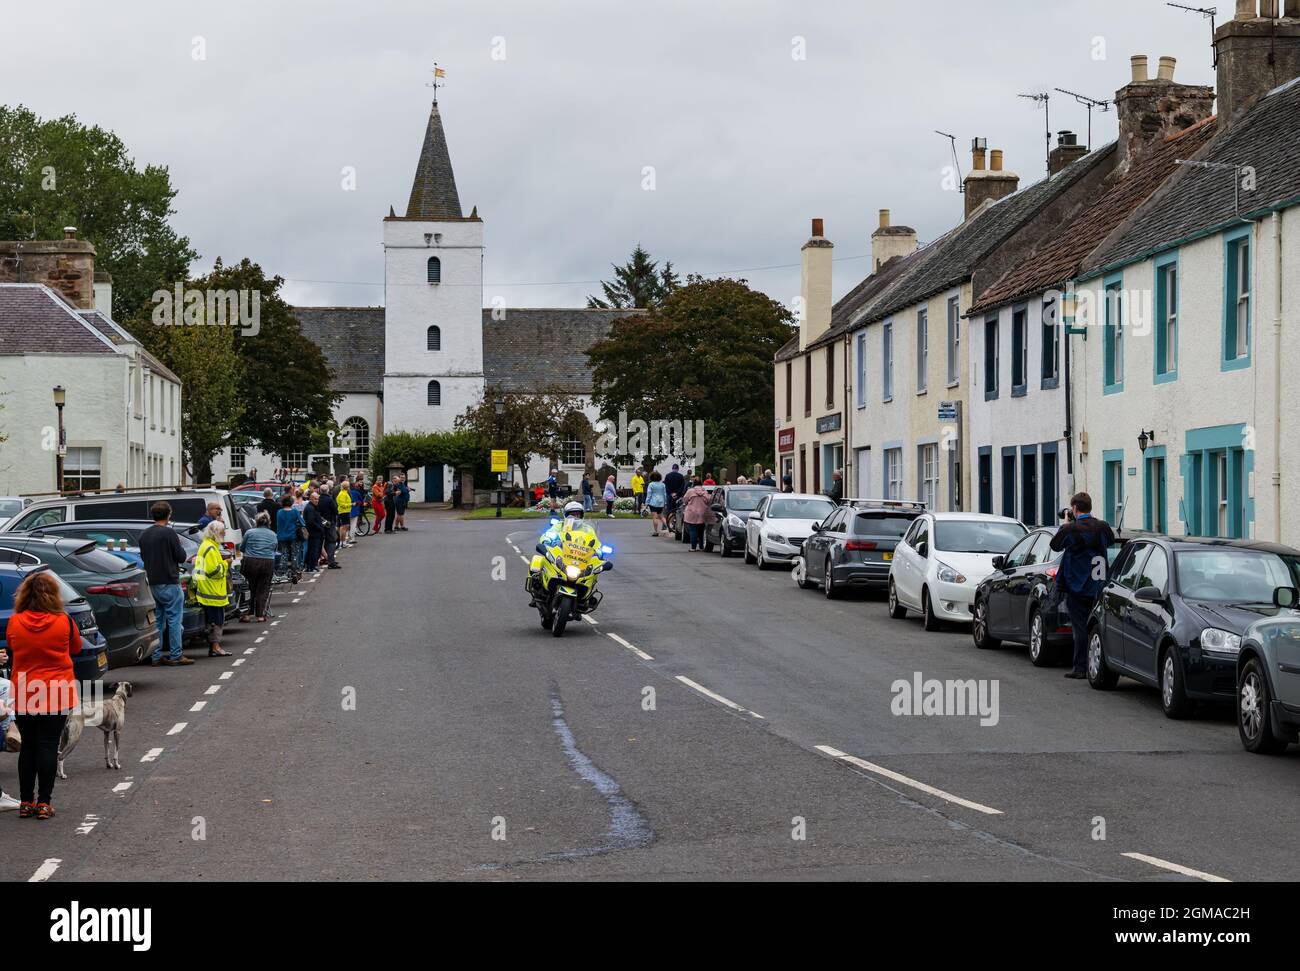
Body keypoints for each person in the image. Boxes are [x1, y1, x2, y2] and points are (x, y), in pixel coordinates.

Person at [8, 571, 81, 818]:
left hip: (25, 690)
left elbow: (12, 646)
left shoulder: (15, 621)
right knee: (48, 746)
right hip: (56, 690)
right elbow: (76, 647)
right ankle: (44, 802)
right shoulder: (64, 621)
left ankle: (26, 801)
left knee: (28, 746)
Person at [1049, 492, 1116, 680]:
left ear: (1075, 508)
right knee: (1097, 627)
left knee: (1079, 628)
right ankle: (1099, 665)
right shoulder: (1102, 527)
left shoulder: (1070, 530)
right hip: (1099, 586)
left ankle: (1080, 667)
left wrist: (1066, 525)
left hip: (1076, 585)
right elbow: (1110, 540)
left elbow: (1055, 545)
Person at [140, 501, 193, 667]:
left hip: (152, 582)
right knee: (174, 620)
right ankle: (176, 654)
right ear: (168, 515)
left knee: (158, 621)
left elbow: (143, 557)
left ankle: (155, 655)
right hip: (169, 580)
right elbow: (181, 557)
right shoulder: (169, 534)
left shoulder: (144, 535)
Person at [195, 521, 233, 657]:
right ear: (216, 533)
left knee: (213, 620)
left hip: (207, 589)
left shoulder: (207, 545)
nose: (224, 534)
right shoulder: (210, 548)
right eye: (222, 532)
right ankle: (215, 647)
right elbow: (214, 571)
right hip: (212, 591)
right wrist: (226, 563)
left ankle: (214, 647)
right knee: (216, 621)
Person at [240, 512, 278, 623]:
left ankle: (248, 613)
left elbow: (242, 547)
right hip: (267, 562)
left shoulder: (249, 532)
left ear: (256, 521)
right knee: (263, 588)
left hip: (250, 561)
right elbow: (274, 549)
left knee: (249, 587)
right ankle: (260, 615)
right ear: (269, 522)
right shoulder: (273, 534)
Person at [275, 494, 305, 582]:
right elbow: (302, 522)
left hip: (281, 536)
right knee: (294, 554)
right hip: (293, 535)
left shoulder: (279, 512)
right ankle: (294, 572)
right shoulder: (295, 511)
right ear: (291, 502)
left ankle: (282, 572)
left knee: (284, 554)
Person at [682, 477, 712, 551]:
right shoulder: (705, 492)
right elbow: (709, 501)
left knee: (693, 530)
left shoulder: (690, 491)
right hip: (703, 513)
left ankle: (693, 547)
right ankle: (701, 547)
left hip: (692, 513)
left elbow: (685, 500)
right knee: (701, 531)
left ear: (693, 483)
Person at [303, 490, 326, 571]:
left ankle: (312, 566)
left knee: (314, 549)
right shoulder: (310, 508)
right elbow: (311, 521)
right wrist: (320, 528)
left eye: (318, 499)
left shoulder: (313, 507)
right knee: (313, 550)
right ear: (311, 499)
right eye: (315, 499)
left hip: (316, 533)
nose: (317, 500)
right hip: (314, 533)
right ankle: (312, 566)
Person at [663, 463, 686, 532]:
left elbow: (666, 486)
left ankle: (668, 526)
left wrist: (671, 493)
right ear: (678, 469)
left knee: (669, 510)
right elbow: (682, 487)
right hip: (678, 496)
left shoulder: (667, 476)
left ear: (672, 468)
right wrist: (677, 493)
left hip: (670, 496)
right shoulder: (681, 476)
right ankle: (675, 524)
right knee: (677, 511)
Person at [645, 471, 668, 536]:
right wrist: (665, 502)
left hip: (653, 502)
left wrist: (646, 503)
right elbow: (665, 494)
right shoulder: (662, 484)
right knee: (661, 516)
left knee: (655, 517)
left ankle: (656, 531)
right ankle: (669, 528)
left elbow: (649, 494)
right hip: (661, 502)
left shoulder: (651, 484)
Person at [335, 479, 352, 548]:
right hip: (343, 512)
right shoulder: (342, 493)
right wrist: (350, 504)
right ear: (347, 487)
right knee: (344, 528)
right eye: (348, 486)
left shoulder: (344, 492)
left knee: (343, 527)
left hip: (344, 511)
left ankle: (341, 542)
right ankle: (343, 543)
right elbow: (342, 504)